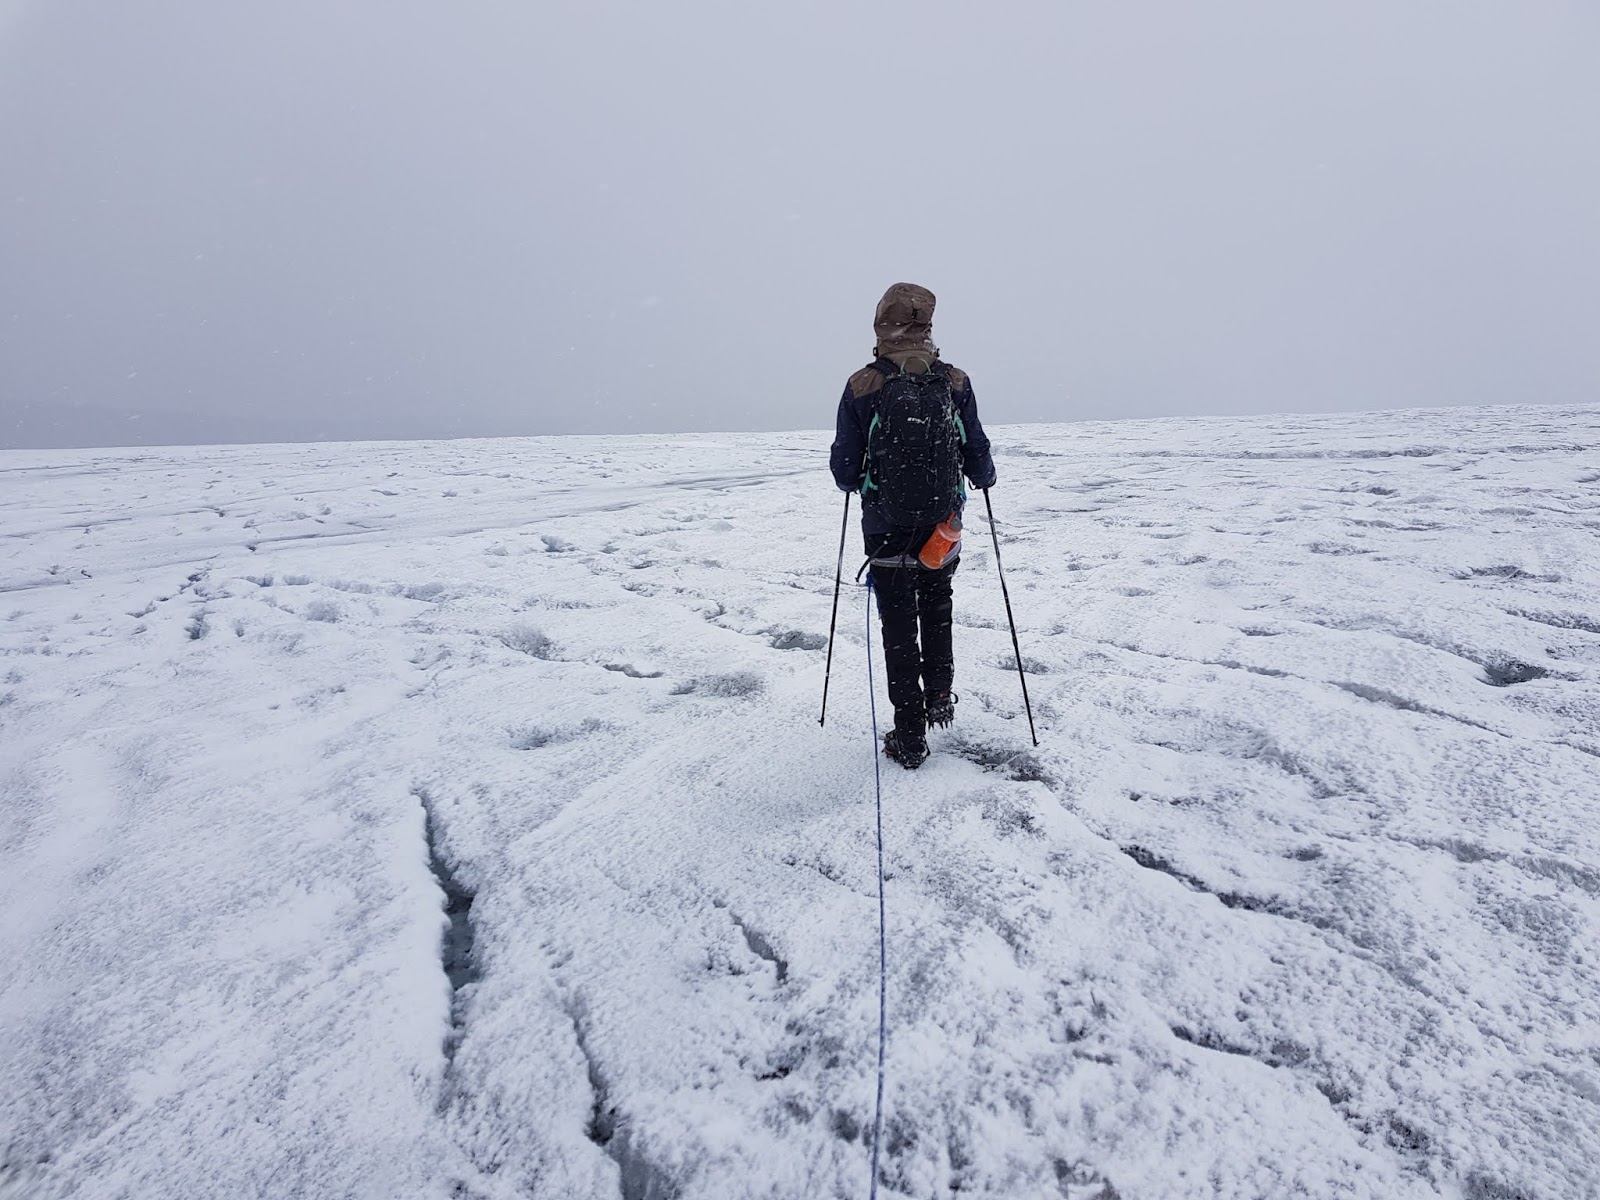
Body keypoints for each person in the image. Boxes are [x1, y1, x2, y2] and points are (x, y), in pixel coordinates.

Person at [830, 283, 997, 769]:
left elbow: (844, 469)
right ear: (927, 324)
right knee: (938, 607)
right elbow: (978, 453)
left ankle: (909, 735)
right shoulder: (955, 380)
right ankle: (940, 697)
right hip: (942, 525)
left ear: (881, 323)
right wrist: (983, 478)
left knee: (899, 626)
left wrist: (864, 481)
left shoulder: (864, 383)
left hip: (885, 528)